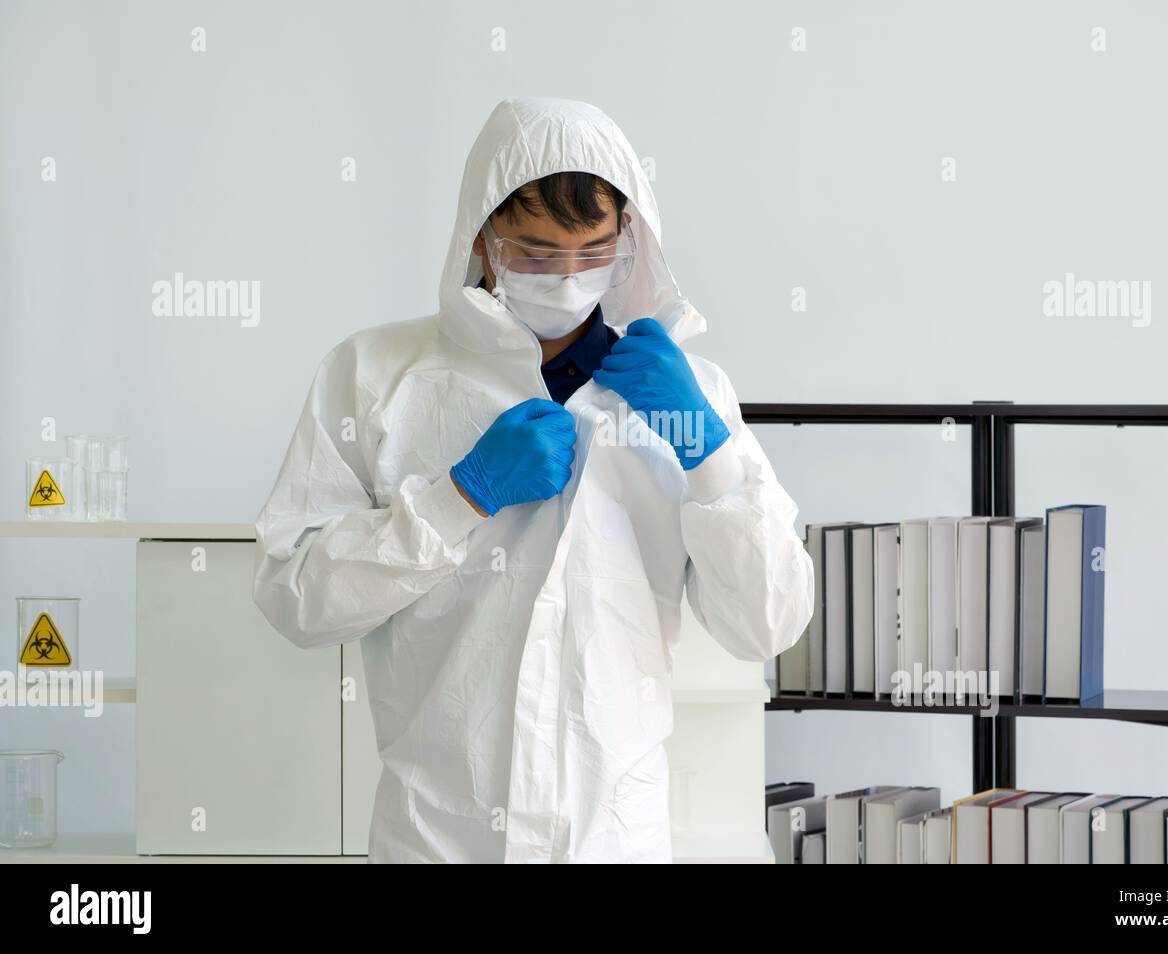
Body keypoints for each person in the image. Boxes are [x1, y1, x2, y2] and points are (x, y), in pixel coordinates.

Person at [252, 97, 814, 863]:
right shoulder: (377, 376)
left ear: (630, 238)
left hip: (611, 841)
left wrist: (708, 451)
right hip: (438, 838)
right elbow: (299, 601)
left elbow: (767, 624)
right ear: (482, 236)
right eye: (538, 255)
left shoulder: (690, 393)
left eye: (592, 253)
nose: (568, 278)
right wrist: (460, 497)